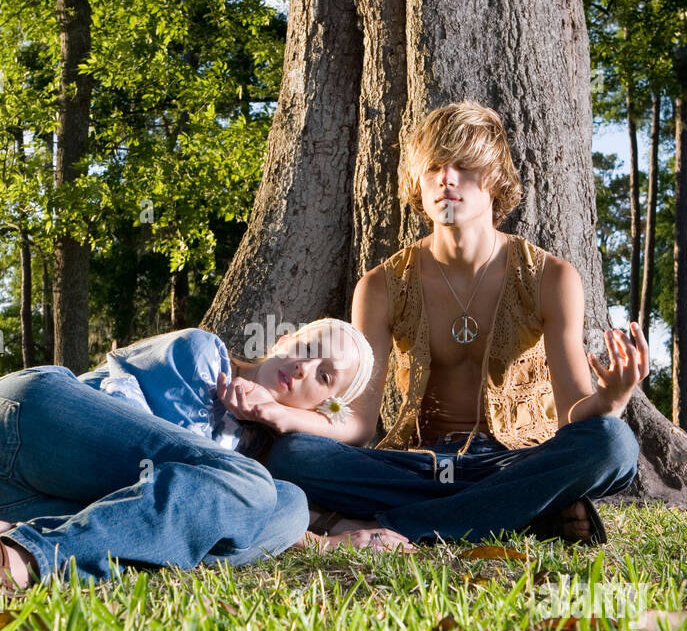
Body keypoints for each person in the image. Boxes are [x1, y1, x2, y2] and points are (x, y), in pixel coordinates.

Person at [260, 101, 647, 547]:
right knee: (293, 455)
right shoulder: (382, 286)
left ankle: (402, 526)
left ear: (496, 179)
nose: (447, 179)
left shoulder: (550, 277)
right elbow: (360, 424)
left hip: (516, 460)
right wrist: (279, 415)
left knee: (614, 445)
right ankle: (523, 512)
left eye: (464, 166)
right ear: (417, 182)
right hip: (416, 463)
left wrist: (613, 398)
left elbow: (573, 418)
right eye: (434, 168)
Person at [0, 319, 380, 594]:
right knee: (252, 491)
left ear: (323, 412)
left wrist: (275, 419)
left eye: (324, 376)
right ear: (284, 339)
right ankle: (30, 556)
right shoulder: (203, 355)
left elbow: (162, 501)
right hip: (22, 423)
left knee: (289, 507)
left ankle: (24, 533)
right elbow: (133, 440)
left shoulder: (252, 468)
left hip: (16, 500)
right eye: (306, 347)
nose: (303, 367)